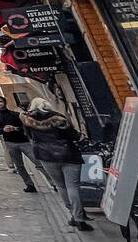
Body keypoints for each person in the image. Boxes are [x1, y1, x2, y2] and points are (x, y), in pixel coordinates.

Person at [21, 99, 92, 231]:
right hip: (68, 154)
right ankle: (79, 218)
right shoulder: (58, 118)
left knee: (61, 186)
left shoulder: (28, 121)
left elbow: (29, 137)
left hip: (46, 156)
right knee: (73, 187)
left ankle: (72, 214)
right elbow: (73, 135)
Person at [0, 94, 36, 192]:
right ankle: (29, 184)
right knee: (19, 166)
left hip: (23, 141)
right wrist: (3, 129)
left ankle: (53, 182)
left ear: (4, 102)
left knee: (37, 162)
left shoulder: (15, 114)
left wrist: (15, 128)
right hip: (10, 142)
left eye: (0, 101)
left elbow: (25, 126)